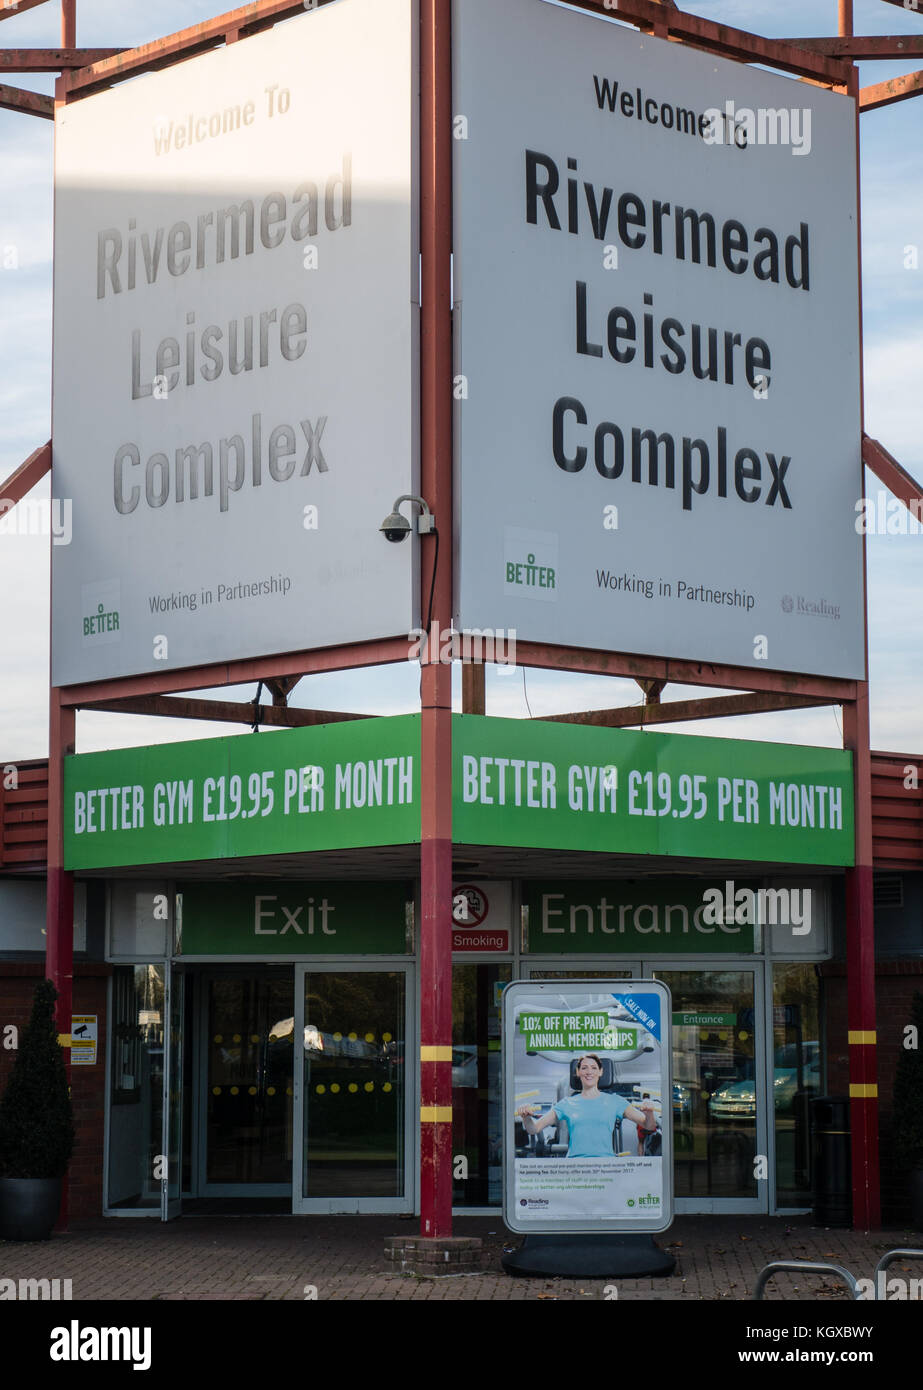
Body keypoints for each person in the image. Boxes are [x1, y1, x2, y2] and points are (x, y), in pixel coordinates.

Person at [516, 1054, 658, 1159]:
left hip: (606, 1167)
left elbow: (649, 1126)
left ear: (600, 1072)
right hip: (576, 1167)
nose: (589, 1072)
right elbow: (534, 1129)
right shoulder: (566, 1103)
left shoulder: (616, 1101)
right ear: (578, 1073)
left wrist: (650, 1113)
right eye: (584, 1068)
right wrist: (526, 1117)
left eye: (593, 1068)